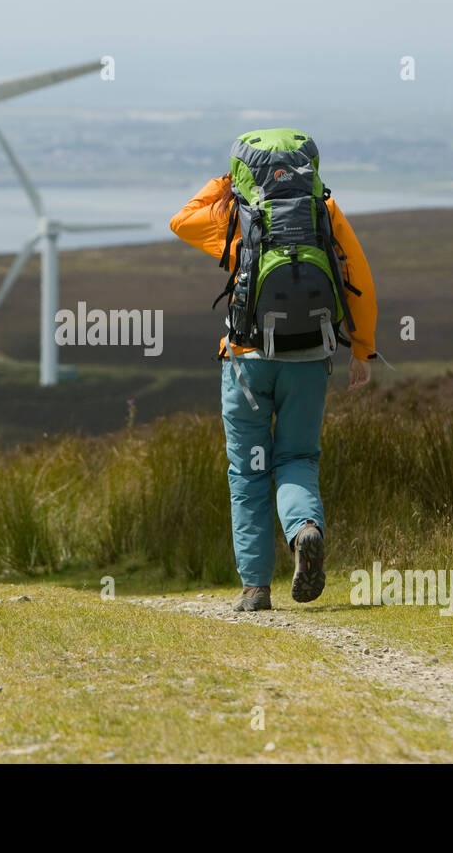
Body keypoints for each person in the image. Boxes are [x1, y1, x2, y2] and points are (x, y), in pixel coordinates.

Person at [170, 142, 378, 611]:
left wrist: (224, 184)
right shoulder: (323, 210)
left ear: (247, 170)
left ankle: (255, 588)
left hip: (247, 360)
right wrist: (361, 348)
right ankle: (305, 529)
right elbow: (358, 275)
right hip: (308, 357)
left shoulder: (234, 214)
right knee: (298, 457)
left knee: (247, 471)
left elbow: (181, 220)